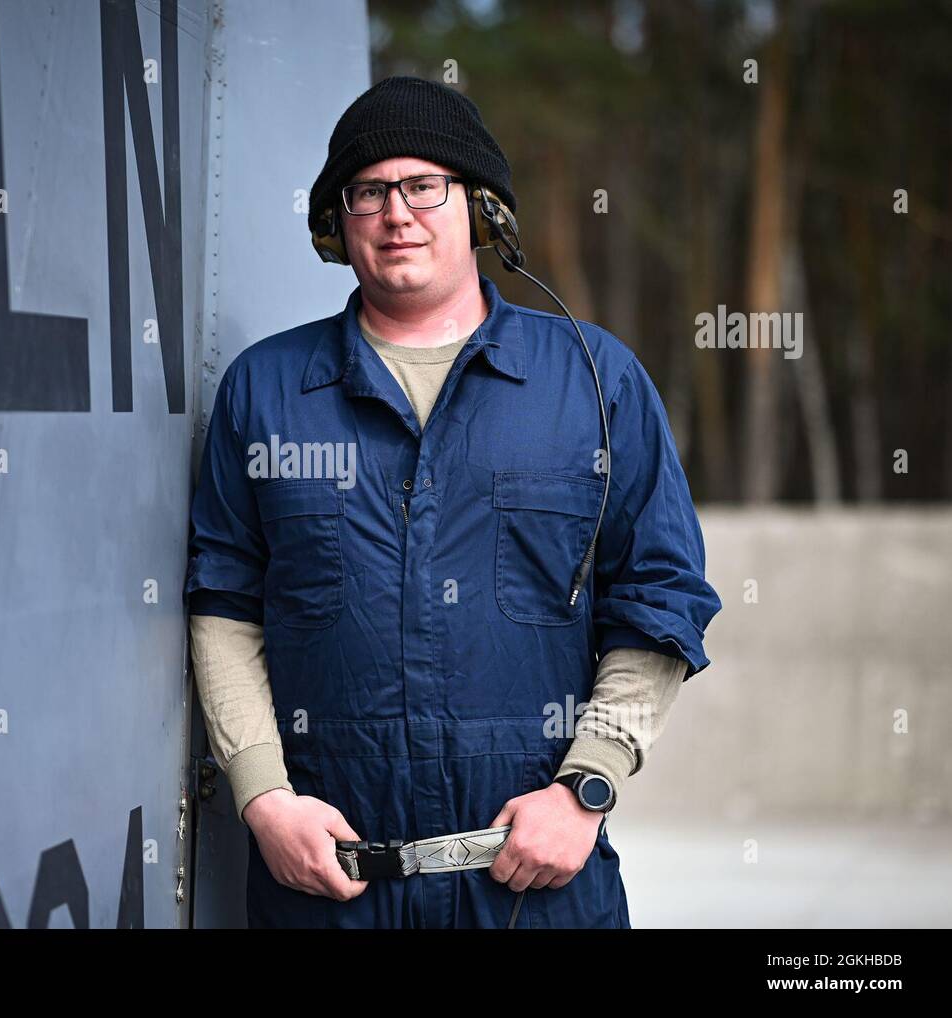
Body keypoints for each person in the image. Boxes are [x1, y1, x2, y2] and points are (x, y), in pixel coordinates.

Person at [183, 75, 721, 928]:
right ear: (339, 223)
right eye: (369, 191)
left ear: (483, 212)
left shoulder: (593, 381)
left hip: (534, 889)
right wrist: (263, 797)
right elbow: (224, 604)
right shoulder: (266, 391)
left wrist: (588, 787)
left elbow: (659, 598)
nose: (398, 213)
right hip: (328, 892)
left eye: (426, 185)